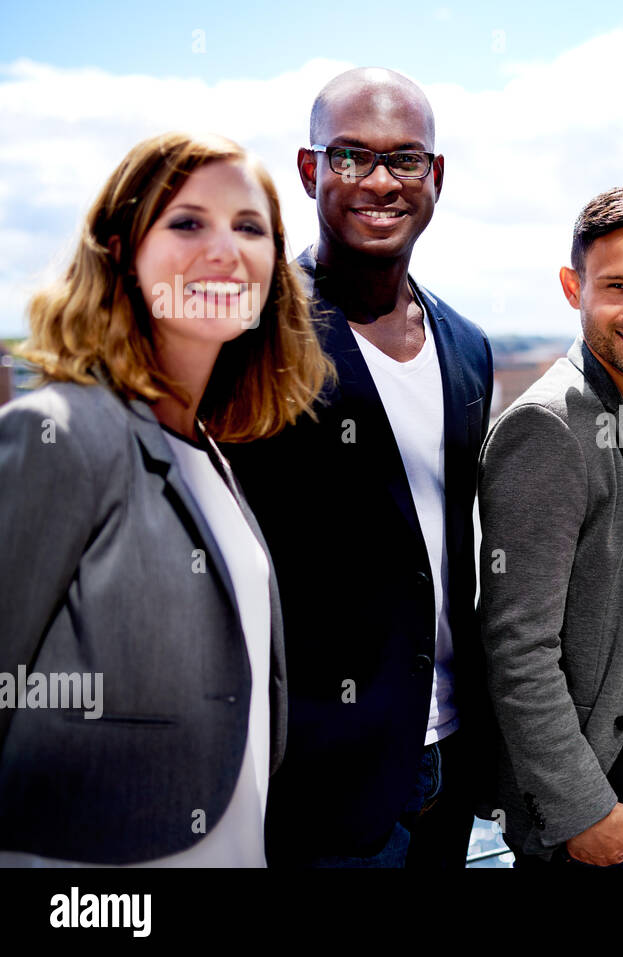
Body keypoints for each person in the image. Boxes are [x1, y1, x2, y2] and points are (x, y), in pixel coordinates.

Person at [0, 131, 330, 865]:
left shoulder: (210, 450)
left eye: (250, 227)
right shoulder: (59, 433)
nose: (224, 248)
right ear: (120, 249)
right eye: (187, 222)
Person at [223, 68, 494, 868]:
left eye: (406, 160)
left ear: (435, 178)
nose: (380, 181)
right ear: (310, 172)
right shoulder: (252, 337)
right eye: (350, 157)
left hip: (449, 761)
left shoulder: (469, 347)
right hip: (314, 780)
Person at [478, 187, 623, 868]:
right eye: (616, 287)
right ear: (574, 287)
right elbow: (517, 645)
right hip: (595, 815)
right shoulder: (547, 427)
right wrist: (581, 809)